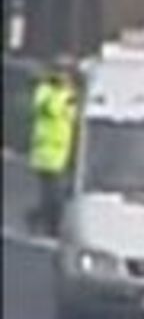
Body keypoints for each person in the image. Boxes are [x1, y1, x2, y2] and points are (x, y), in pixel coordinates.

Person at [27, 56, 78, 236]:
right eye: (62, 72)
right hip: (47, 154)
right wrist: (66, 95)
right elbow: (53, 109)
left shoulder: (70, 96)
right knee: (52, 195)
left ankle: (44, 221)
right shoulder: (47, 92)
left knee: (55, 195)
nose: (65, 76)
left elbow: (73, 118)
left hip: (61, 153)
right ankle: (48, 224)